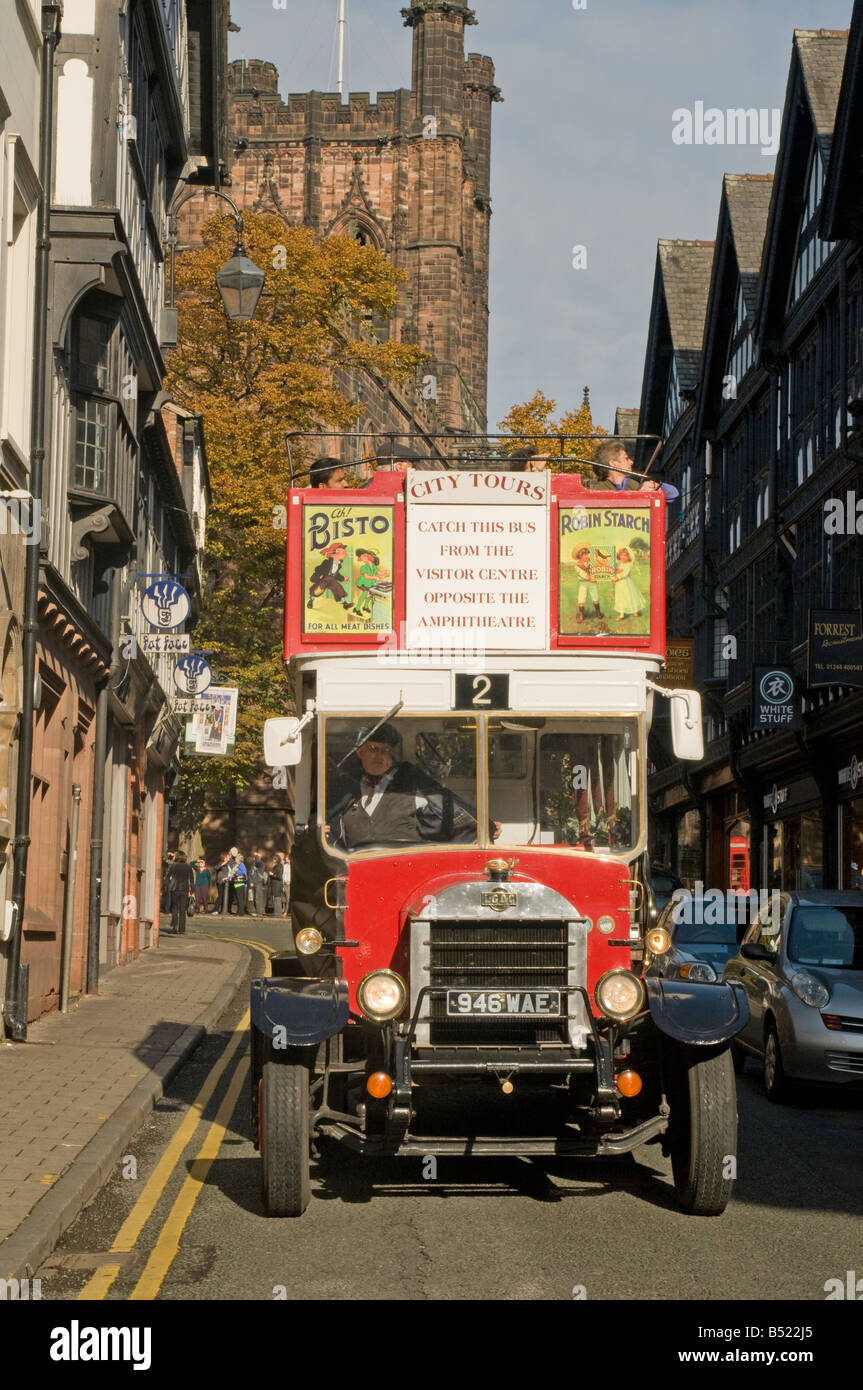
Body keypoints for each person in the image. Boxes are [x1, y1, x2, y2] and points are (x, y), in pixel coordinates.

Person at [328, 722, 500, 851]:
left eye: (386, 751)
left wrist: (486, 825)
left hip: (405, 865)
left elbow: (447, 802)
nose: (380, 756)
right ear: (359, 752)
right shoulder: (346, 783)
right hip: (354, 866)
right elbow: (325, 817)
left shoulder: (410, 778)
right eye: (374, 749)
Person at [590, 440, 680, 501]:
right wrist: (637, 495)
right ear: (613, 463)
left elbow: (673, 494)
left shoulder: (633, 484)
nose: (631, 462)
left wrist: (653, 485)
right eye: (626, 458)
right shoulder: (598, 490)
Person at [308, 542, 351, 611]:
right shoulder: (327, 562)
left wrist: (343, 578)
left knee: (338, 588)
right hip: (325, 579)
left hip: (332, 579)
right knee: (317, 590)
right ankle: (311, 601)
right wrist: (319, 576)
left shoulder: (339, 565)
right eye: (343, 552)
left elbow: (337, 574)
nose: (345, 554)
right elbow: (318, 568)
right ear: (337, 552)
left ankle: (344, 603)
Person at [612, 547, 645, 622]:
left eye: (625, 555)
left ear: (629, 557)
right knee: (621, 597)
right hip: (620, 585)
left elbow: (625, 573)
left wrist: (617, 577)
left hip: (627, 583)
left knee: (631, 596)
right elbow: (619, 570)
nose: (623, 557)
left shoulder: (629, 564)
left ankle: (635, 611)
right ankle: (621, 614)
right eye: (621, 555)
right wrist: (615, 572)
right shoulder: (621, 564)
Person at [167, 852, 195, 934]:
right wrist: (192, 891)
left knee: (174, 908)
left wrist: (167, 885)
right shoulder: (188, 867)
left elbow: (167, 876)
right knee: (183, 909)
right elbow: (191, 880)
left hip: (174, 888)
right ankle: (182, 929)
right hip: (184, 889)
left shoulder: (173, 865)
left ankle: (174, 927)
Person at [573, 545, 602, 623]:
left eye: (587, 554)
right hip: (583, 583)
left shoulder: (592, 562)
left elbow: (597, 569)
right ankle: (581, 615)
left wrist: (596, 577)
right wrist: (590, 578)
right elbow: (582, 574)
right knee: (581, 599)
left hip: (592, 583)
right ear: (580, 556)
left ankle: (598, 613)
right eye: (584, 554)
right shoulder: (577, 565)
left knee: (595, 597)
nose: (586, 556)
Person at [248, 852, 268, 916]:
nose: (255, 858)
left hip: (258, 882)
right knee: (252, 898)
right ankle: (254, 910)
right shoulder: (253, 865)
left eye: (257, 857)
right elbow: (250, 874)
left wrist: (257, 855)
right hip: (253, 883)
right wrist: (251, 882)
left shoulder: (261, 864)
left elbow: (258, 862)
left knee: (258, 897)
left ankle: (258, 912)